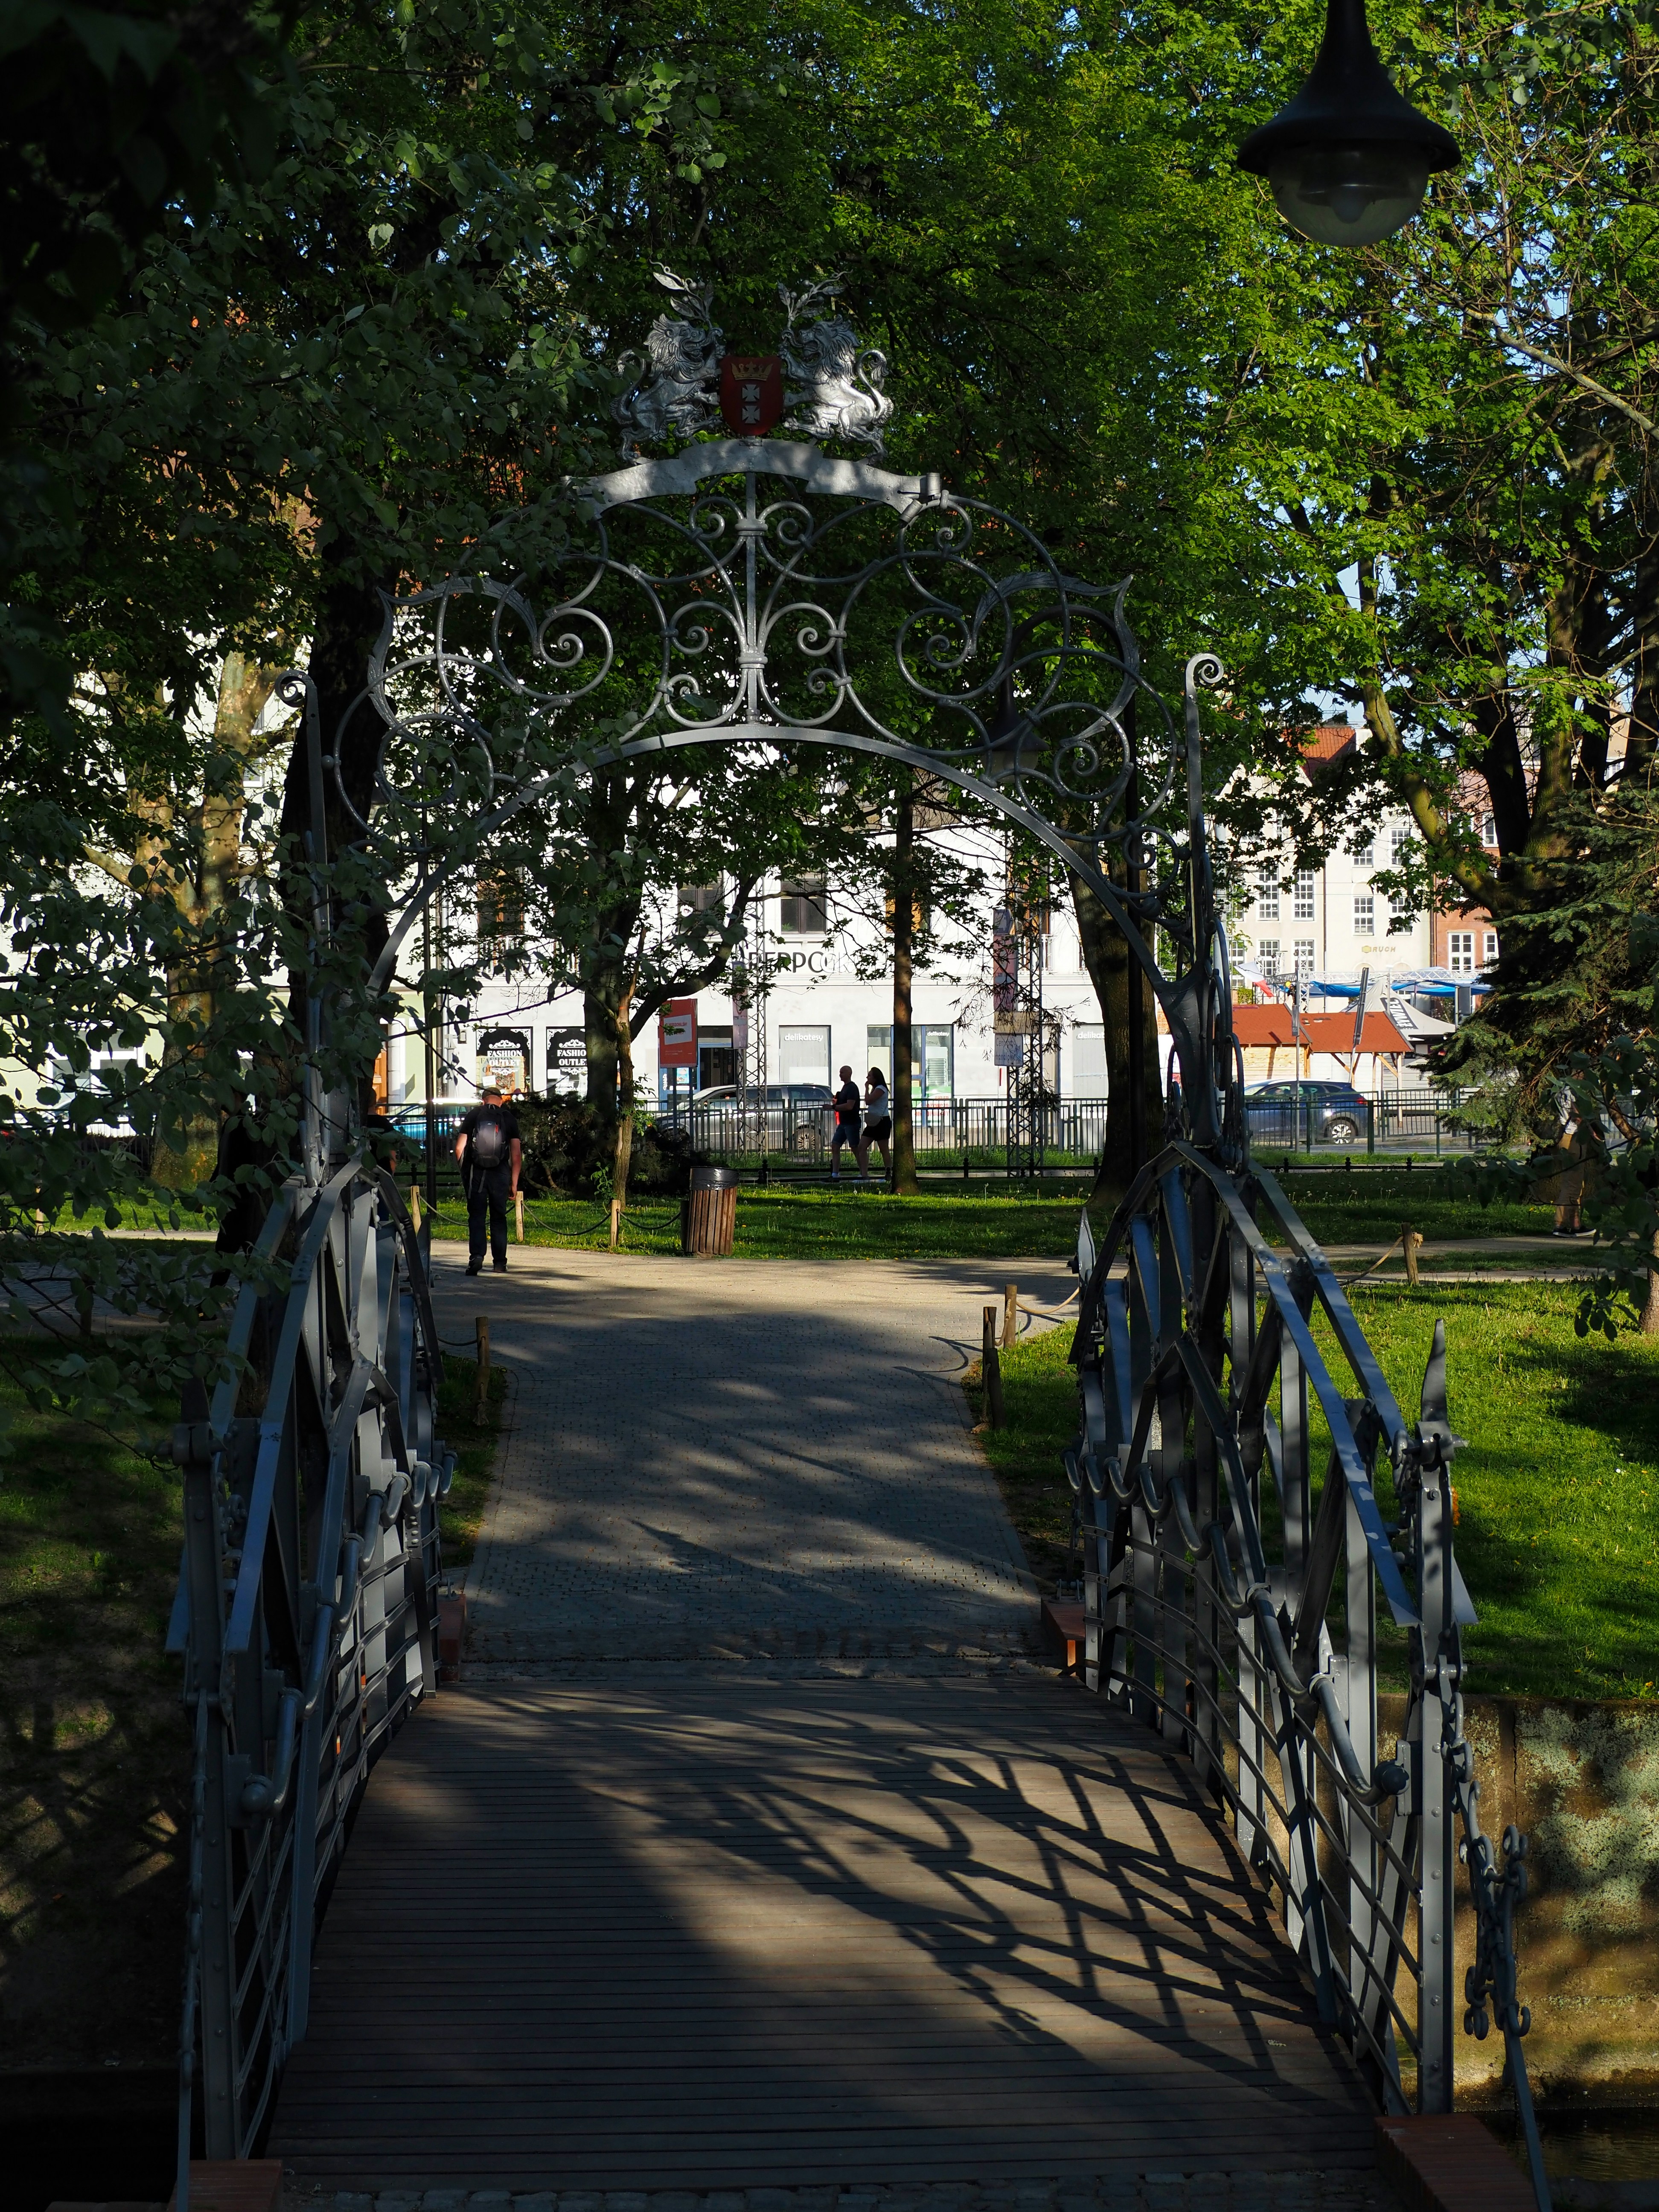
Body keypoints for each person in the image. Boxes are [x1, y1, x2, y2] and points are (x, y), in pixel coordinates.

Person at [455, 1086, 521, 1275]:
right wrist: (514, 1183)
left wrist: (465, 1173)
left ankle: (476, 1257)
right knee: (499, 1217)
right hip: (500, 1174)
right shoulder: (508, 1118)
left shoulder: (474, 1115)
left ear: (483, 1101)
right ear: (501, 1100)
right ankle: (500, 1263)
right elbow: (516, 1155)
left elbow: (460, 1148)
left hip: (476, 1174)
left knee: (477, 1217)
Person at [857, 1065, 891, 1180]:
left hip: (882, 1122)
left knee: (884, 1149)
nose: (867, 1078)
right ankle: (864, 1174)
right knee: (862, 1147)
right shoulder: (876, 1089)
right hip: (873, 1122)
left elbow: (868, 1101)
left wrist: (866, 1089)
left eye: (870, 1076)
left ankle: (889, 1173)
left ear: (876, 1078)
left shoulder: (881, 1089)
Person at [830, 1063, 862, 1181]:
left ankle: (863, 1173)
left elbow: (850, 1106)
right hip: (843, 1123)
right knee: (835, 1145)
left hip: (852, 1123)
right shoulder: (845, 1088)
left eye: (842, 1072)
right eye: (840, 1072)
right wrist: (837, 1103)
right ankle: (835, 1173)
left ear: (849, 1074)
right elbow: (843, 1104)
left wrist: (833, 1108)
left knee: (855, 1147)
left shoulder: (852, 1088)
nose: (840, 1075)